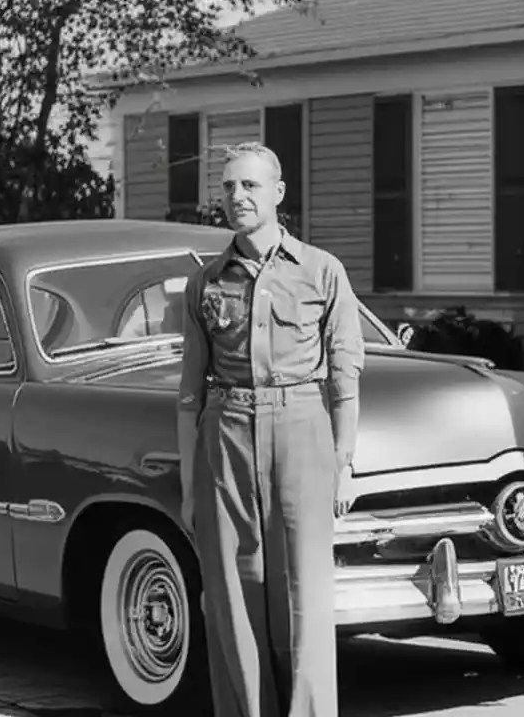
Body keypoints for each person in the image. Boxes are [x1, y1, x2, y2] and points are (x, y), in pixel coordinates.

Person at [176, 141, 365, 717]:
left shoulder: (322, 271)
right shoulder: (205, 282)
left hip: (302, 430)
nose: (237, 197)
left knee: (304, 594)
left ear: (279, 193)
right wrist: (190, 487)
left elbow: (345, 374)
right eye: (229, 187)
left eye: (250, 186)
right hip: (225, 433)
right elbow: (189, 394)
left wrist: (345, 462)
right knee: (233, 596)